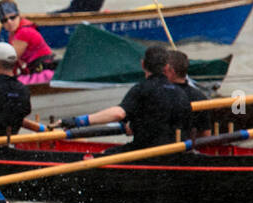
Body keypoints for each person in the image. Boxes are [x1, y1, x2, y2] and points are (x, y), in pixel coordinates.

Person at [57, 44, 191, 152]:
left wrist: (77, 121)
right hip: (176, 152)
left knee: (105, 155)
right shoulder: (181, 93)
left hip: (145, 153)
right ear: (166, 67)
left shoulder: (141, 89)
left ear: (143, 64)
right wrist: (135, 125)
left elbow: (118, 113)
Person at [0, 0, 56, 85]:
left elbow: (10, 61)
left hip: (44, 74)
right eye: (4, 20)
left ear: (19, 15)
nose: (9, 22)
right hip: (37, 71)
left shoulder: (24, 32)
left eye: (12, 17)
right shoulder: (14, 34)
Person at [164, 49, 212, 138]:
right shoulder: (199, 96)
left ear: (170, 71)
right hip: (189, 147)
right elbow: (206, 134)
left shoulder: (159, 95)